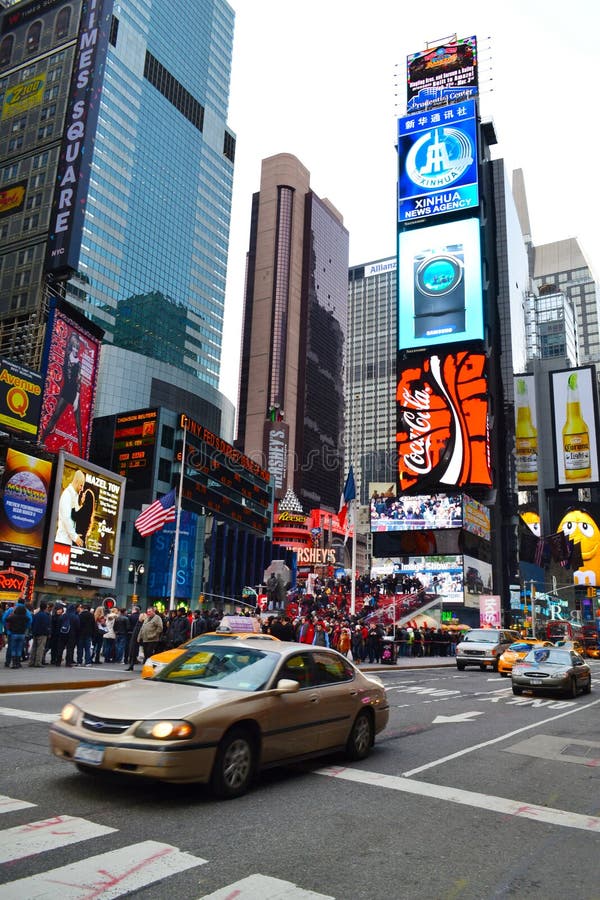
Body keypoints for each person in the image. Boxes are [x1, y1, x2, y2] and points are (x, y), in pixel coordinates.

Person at [39, 331, 83, 454]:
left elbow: (79, 382)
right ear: (71, 346)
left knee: (79, 425)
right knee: (55, 416)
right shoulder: (66, 356)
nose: (75, 349)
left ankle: (80, 453)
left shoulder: (79, 363)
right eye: (74, 346)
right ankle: (41, 440)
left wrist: (76, 400)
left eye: (77, 347)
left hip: (75, 393)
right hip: (66, 391)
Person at [55, 469, 85, 547]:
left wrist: (82, 504)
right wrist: (75, 537)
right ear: (76, 481)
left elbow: (75, 517)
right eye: (81, 485)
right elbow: (66, 519)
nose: (82, 489)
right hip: (62, 542)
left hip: (68, 542)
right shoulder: (67, 495)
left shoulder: (74, 496)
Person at [2, 600, 32, 669]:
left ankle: (8, 662)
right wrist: (25, 627)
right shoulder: (26, 611)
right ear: (24, 603)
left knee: (10, 647)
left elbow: (4, 618)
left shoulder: (11, 609)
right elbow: (30, 621)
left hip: (11, 632)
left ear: (17, 602)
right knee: (19, 648)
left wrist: (7, 628)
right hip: (22, 632)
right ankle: (17, 662)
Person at [28, 601, 51, 667]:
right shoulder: (46, 616)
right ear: (45, 607)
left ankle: (31, 661)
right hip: (42, 634)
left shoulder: (36, 615)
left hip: (35, 633)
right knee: (40, 648)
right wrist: (48, 633)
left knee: (34, 648)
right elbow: (46, 626)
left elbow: (32, 624)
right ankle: (38, 662)